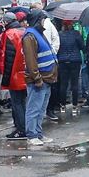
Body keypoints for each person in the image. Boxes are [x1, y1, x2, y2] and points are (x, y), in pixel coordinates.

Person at [22, 9, 58, 145]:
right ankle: (32, 135)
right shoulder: (30, 36)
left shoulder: (37, 34)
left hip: (46, 78)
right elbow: (31, 61)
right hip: (39, 80)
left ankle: (38, 132)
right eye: (43, 19)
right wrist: (37, 78)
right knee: (34, 108)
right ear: (38, 20)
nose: (45, 22)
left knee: (41, 109)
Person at [0, 14, 29, 140]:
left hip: (15, 74)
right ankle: (26, 127)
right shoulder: (24, 32)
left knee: (17, 103)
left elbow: (8, 58)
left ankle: (21, 129)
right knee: (23, 102)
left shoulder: (9, 34)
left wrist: (6, 79)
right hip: (25, 72)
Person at [55, 20, 85, 114]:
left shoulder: (59, 34)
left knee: (63, 84)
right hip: (75, 61)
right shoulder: (76, 34)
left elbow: (57, 47)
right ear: (71, 24)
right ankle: (75, 106)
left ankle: (62, 106)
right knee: (74, 84)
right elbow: (82, 47)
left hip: (63, 61)